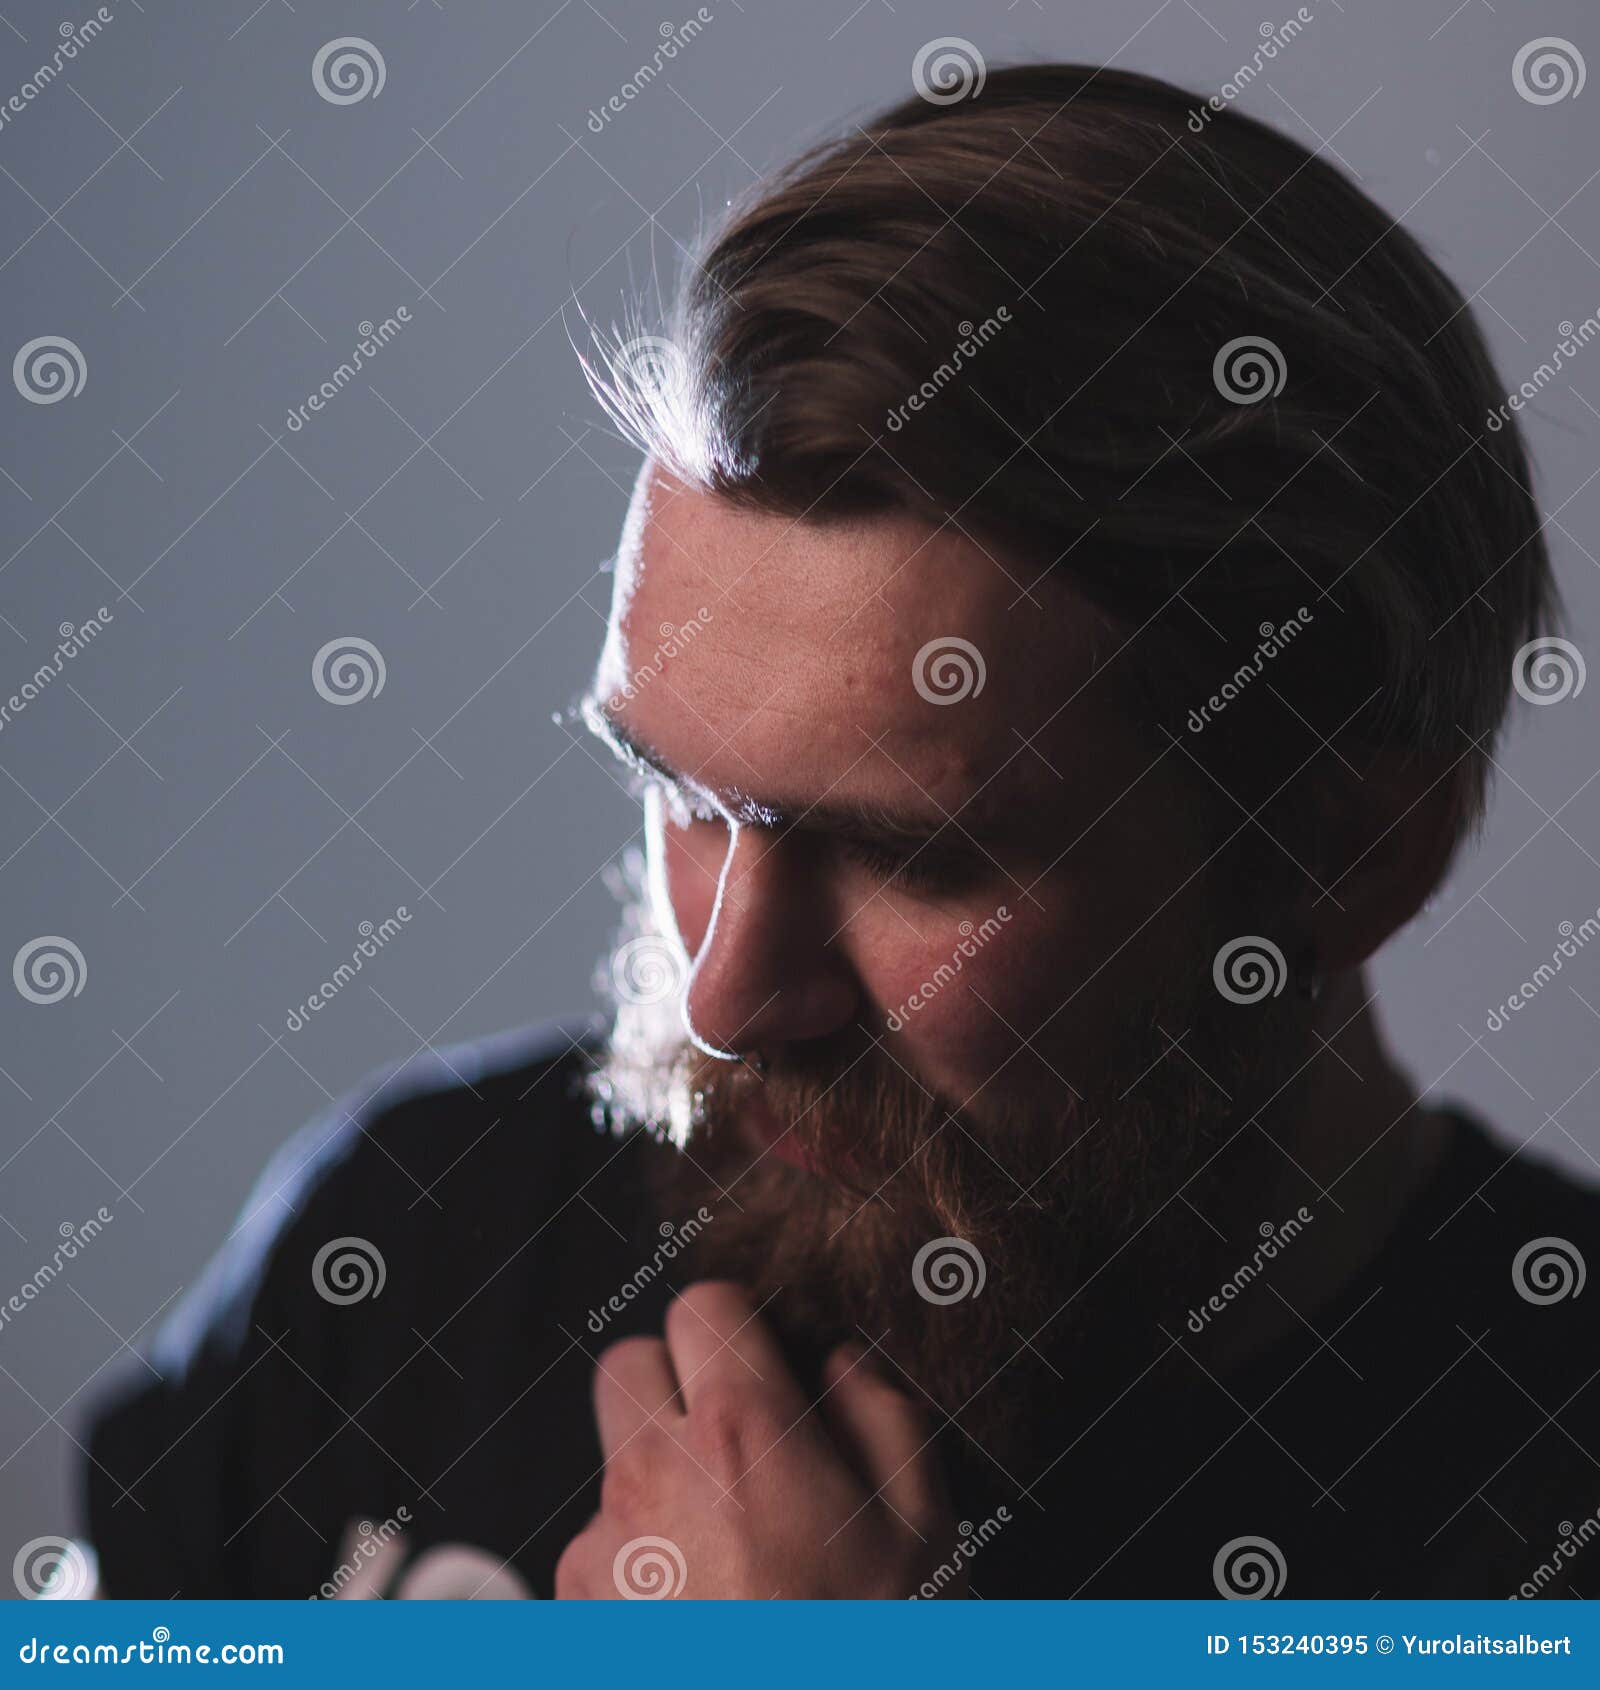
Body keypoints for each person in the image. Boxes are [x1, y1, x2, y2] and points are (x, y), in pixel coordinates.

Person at [80, 61, 1598, 1601]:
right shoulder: (410, 1249)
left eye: (914, 855)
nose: (727, 991)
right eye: (682, 792)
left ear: (1354, 850)